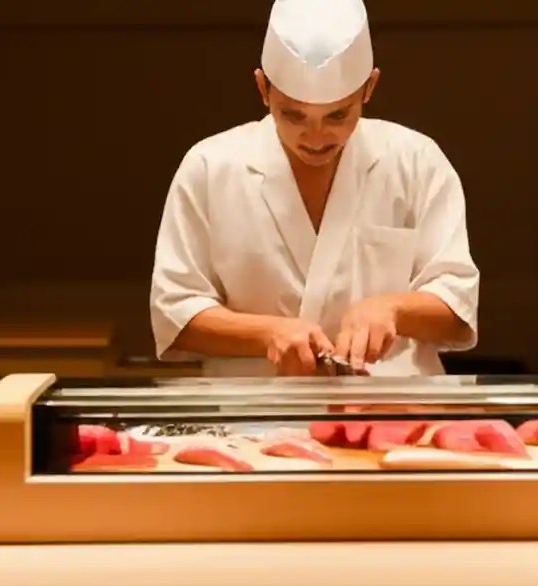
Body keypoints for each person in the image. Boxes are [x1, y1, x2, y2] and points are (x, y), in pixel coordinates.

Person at [149, 0, 480, 377]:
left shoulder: (416, 161)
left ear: (369, 88)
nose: (316, 137)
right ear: (263, 89)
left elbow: (458, 309)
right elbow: (174, 314)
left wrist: (393, 309)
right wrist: (268, 333)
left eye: (338, 115)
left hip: (392, 411)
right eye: (293, 115)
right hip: (249, 419)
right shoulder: (210, 167)